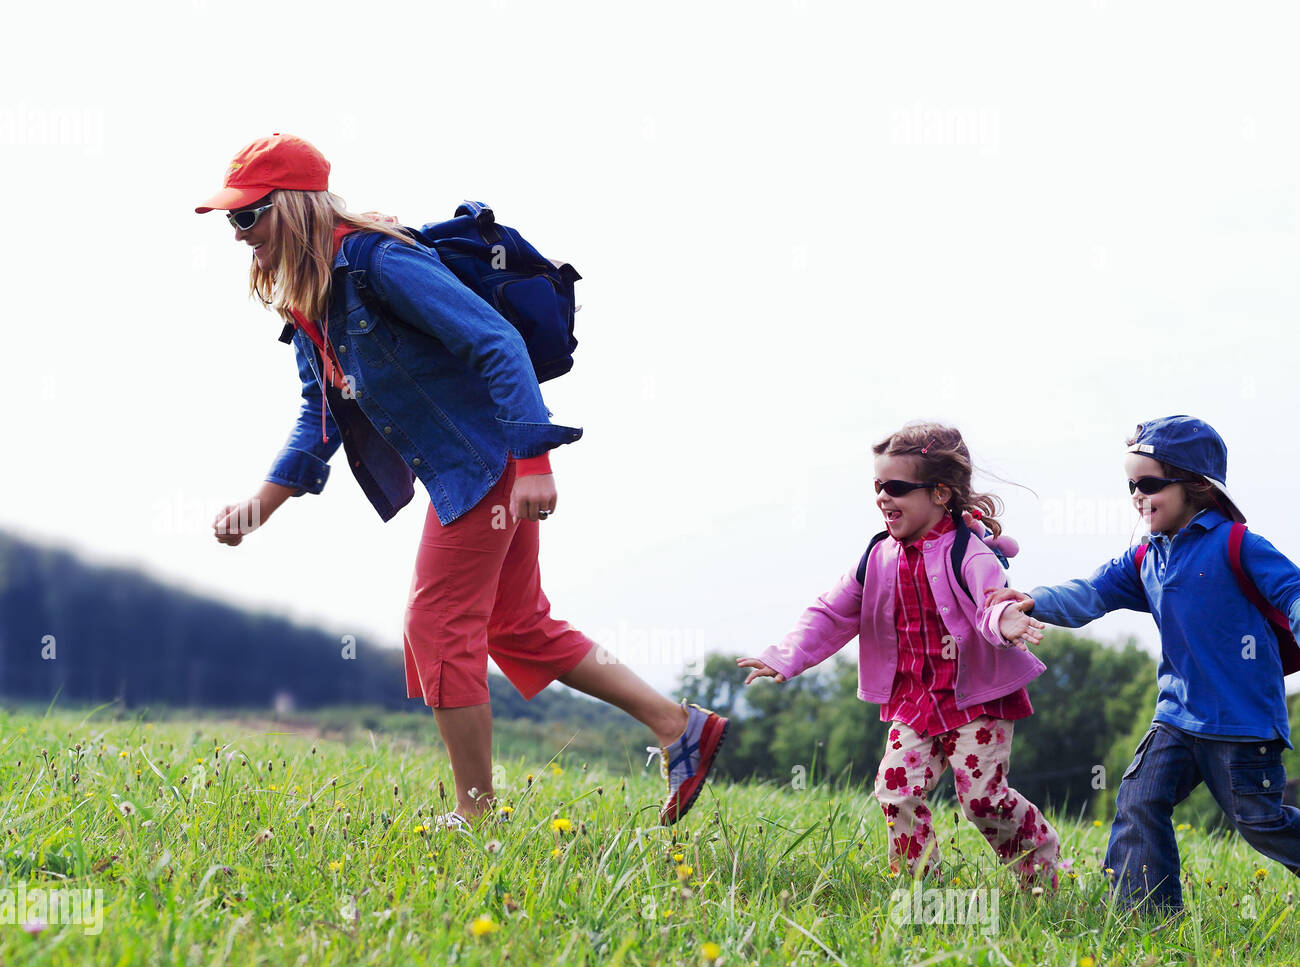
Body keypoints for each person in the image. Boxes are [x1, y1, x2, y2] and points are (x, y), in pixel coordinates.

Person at [195, 133, 727, 829]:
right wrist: (260, 506)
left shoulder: (379, 261)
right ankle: (676, 725)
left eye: (247, 217)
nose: (240, 237)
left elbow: (494, 342)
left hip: (489, 460)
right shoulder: (311, 300)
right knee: (514, 624)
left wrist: (536, 460)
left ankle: (476, 815)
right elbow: (320, 413)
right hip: (465, 469)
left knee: (438, 624)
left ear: (292, 207)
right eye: (232, 221)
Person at [986, 415, 1300, 916]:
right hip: (1176, 716)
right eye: (1131, 484)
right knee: (1137, 798)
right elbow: (1089, 594)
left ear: (1196, 486)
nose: (1136, 495)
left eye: (1150, 483)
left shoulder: (1240, 546)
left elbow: (1293, 593)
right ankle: (1145, 915)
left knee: (1259, 822)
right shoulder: (1145, 558)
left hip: (1241, 721)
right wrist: (1030, 600)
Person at [739, 422, 1065, 888]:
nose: (882, 498)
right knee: (895, 791)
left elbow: (992, 603)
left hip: (975, 700)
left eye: (895, 488)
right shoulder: (877, 557)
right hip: (915, 701)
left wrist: (1005, 620)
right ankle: (921, 889)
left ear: (939, 493)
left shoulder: (969, 554)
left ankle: (1040, 864)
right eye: (877, 487)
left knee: (982, 801)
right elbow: (832, 612)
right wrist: (786, 656)